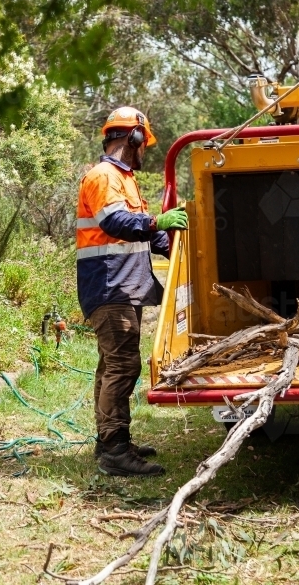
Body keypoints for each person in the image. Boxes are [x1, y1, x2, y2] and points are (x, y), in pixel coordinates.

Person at [76, 106, 188, 477]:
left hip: (122, 286)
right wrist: (159, 220)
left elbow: (145, 231)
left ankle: (108, 440)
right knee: (123, 365)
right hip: (109, 286)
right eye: (145, 144)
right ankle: (115, 451)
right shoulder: (104, 176)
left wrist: (172, 244)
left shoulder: (123, 179)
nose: (146, 152)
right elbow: (118, 223)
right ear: (134, 138)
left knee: (111, 365)